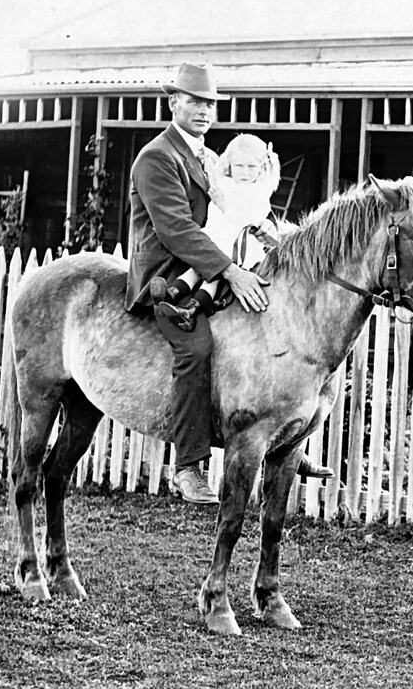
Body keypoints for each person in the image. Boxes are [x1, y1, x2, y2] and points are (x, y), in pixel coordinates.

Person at [124, 63, 331, 505]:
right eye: (194, 101)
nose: (203, 110)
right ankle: (188, 464)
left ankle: (287, 437)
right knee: (195, 347)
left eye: (209, 104)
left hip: (212, 262)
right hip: (168, 275)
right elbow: (177, 229)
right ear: (172, 102)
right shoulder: (157, 157)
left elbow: (235, 209)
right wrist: (231, 271)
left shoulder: (209, 159)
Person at [158, 132, 282, 332]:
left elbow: (248, 222)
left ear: (261, 169)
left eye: (252, 167)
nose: (245, 172)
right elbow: (213, 209)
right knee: (196, 270)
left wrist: (225, 206)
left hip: (238, 246)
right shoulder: (225, 184)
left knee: (212, 277)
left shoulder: (259, 193)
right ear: (230, 166)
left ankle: (190, 310)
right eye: (239, 166)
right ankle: (170, 294)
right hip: (218, 236)